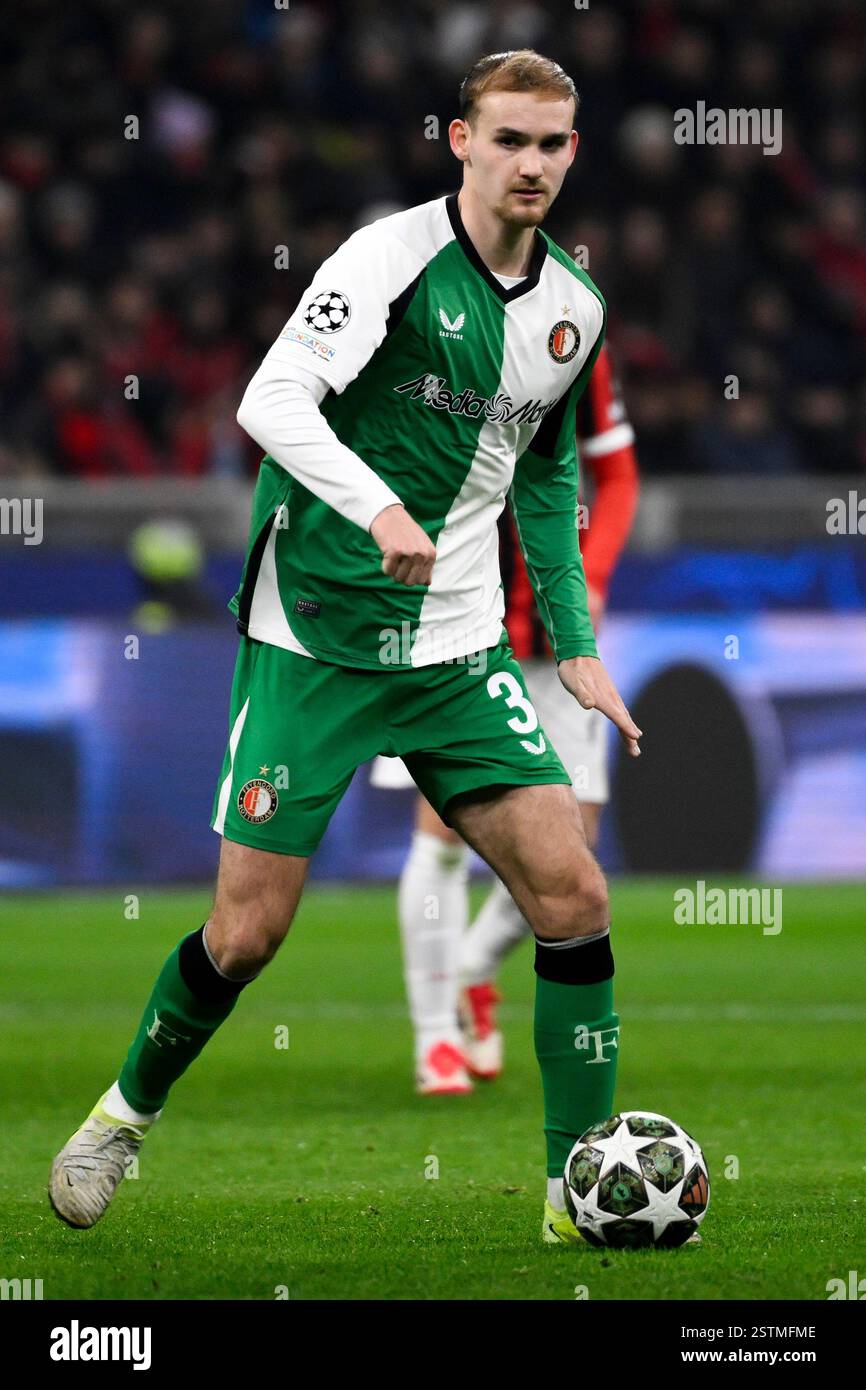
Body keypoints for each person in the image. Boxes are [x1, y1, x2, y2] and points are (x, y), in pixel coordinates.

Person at [49, 49, 641, 1247]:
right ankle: (124, 1111)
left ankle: (574, 1194)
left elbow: (546, 474)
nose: (530, 163)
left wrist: (570, 640)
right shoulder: (387, 258)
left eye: (552, 143)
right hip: (315, 628)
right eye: (509, 139)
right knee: (247, 932)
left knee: (571, 893)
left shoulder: (573, 309)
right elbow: (271, 399)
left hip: (458, 646)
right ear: (458, 141)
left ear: (572, 153)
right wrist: (375, 507)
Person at [375, 344, 639, 1095]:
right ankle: (435, 1042)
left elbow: (616, 474)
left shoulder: (571, 332)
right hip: (451, 627)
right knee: (443, 827)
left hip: (556, 638)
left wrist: (595, 574)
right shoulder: (429, 331)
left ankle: (468, 968)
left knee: (574, 847)